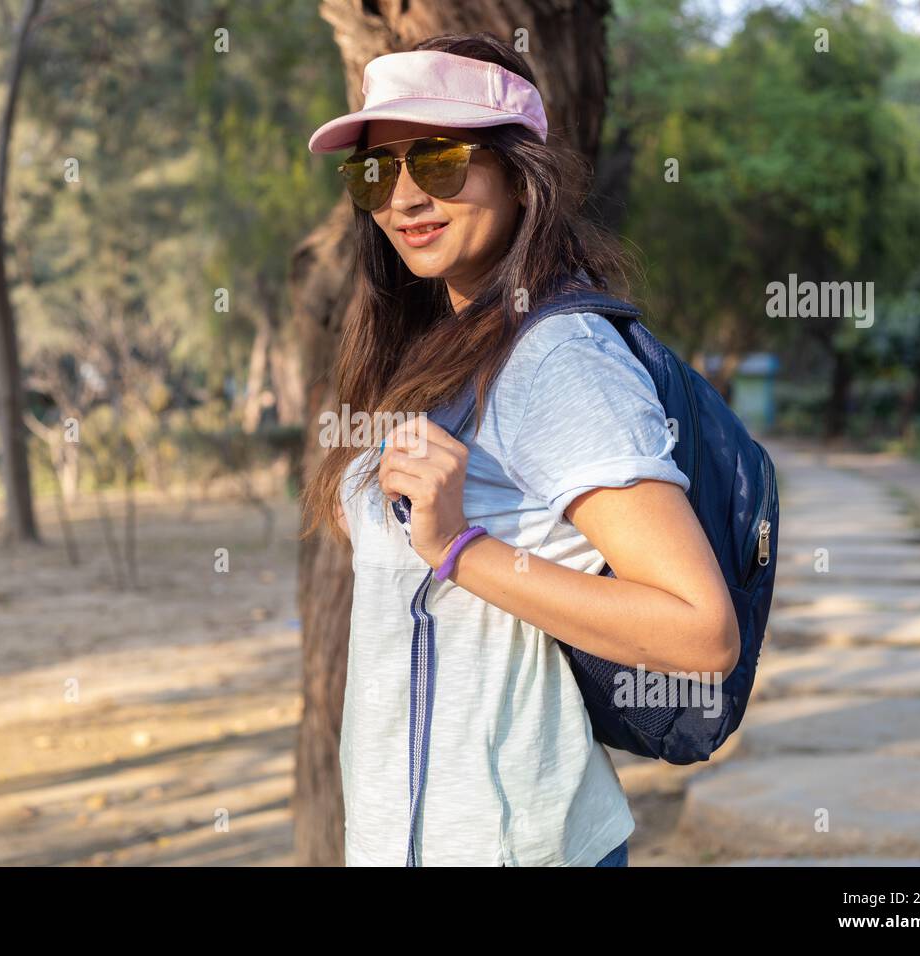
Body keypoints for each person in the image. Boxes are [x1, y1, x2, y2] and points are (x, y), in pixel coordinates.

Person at [301, 34, 739, 866]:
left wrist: (460, 548)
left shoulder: (558, 359)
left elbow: (700, 630)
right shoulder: (439, 346)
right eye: (373, 171)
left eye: (436, 159)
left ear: (517, 169)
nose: (401, 197)